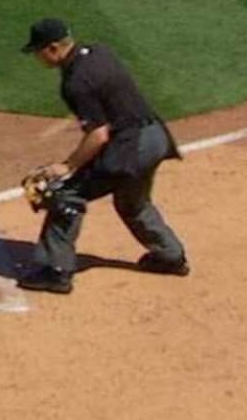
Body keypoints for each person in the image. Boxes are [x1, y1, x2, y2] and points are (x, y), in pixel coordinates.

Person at [16, 18, 189, 295]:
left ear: (53, 48)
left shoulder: (75, 83)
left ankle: (55, 271)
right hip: (155, 136)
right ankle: (170, 256)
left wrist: (67, 166)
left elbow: (99, 135)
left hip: (131, 148)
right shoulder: (100, 52)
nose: (36, 57)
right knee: (133, 202)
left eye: (38, 51)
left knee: (65, 195)